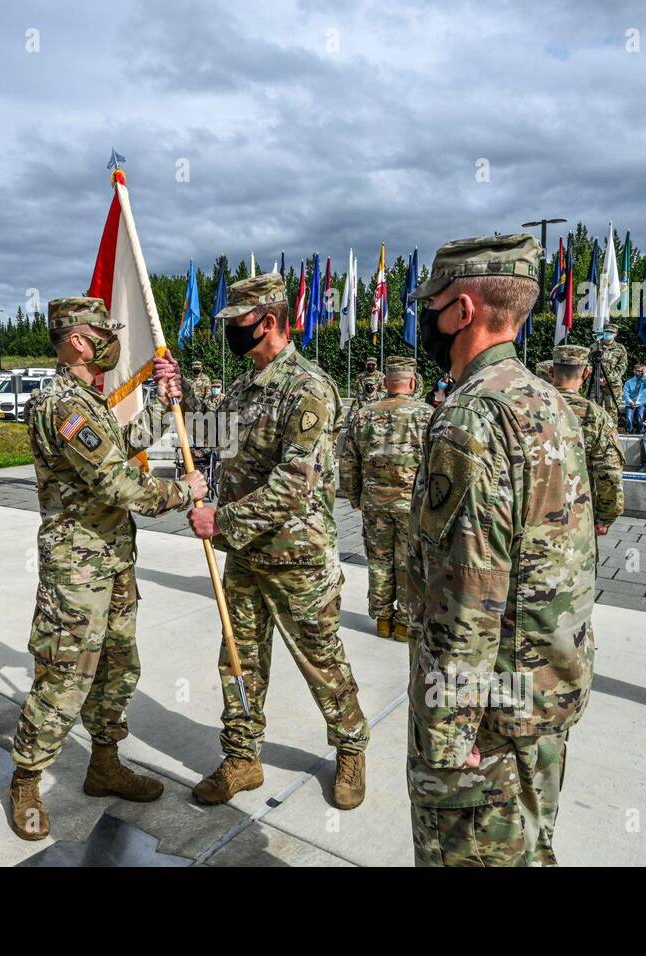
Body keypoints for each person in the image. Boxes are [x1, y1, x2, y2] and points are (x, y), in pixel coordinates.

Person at [407, 234, 595, 867]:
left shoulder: (473, 415)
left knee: (470, 855)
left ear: (462, 310)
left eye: (430, 305)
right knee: (531, 846)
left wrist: (449, 722)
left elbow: (469, 584)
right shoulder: (548, 400)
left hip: (487, 709)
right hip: (544, 684)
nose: (425, 320)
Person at [154, 272, 369, 811]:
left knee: (321, 661)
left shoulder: (309, 388)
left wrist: (221, 520)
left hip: (297, 560)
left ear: (267, 322)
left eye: (237, 323)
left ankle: (350, 747)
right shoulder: (245, 387)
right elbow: (203, 432)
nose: (230, 333)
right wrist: (171, 397)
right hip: (248, 559)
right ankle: (242, 756)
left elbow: (296, 482)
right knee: (237, 658)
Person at [8, 296, 205, 841]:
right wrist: (183, 492)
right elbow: (117, 483)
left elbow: (123, 449)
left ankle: (104, 763)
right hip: (78, 569)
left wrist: (168, 407)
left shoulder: (88, 401)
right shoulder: (61, 406)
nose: (110, 339)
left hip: (114, 562)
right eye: (104, 330)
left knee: (118, 670)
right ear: (77, 339)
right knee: (65, 674)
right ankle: (27, 778)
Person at [340, 355, 432, 640]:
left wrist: (354, 496)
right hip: (412, 505)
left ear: (384, 382)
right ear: (413, 382)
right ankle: (404, 623)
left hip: (375, 503)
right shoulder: (427, 415)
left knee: (379, 561)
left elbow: (348, 461)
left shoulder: (364, 414)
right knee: (408, 564)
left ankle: (383, 619)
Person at [552, 345, 624, 535]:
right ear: (586, 373)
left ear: (551, 371)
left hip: (530, 513)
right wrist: (605, 517)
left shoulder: (527, 409)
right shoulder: (596, 415)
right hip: (578, 514)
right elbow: (609, 472)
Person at [585, 325, 627, 420]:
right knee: (593, 410)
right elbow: (587, 364)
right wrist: (595, 377)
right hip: (594, 384)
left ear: (615, 334)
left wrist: (607, 379)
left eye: (611, 332)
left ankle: (611, 434)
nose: (608, 334)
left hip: (612, 385)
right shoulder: (594, 346)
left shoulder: (620, 348)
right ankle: (593, 433)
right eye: (607, 331)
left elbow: (622, 366)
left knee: (611, 412)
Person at [622, 362, 646, 434]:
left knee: (640, 417)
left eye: (641, 371)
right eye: (637, 371)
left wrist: (645, 374)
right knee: (629, 418)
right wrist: (630, 402)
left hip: (641, 403)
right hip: (630, 404)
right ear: (634, 371)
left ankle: (640, 432)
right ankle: (629, 432)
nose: (639, 373)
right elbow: (626, 394)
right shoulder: (629, 382)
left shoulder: (644, 380)